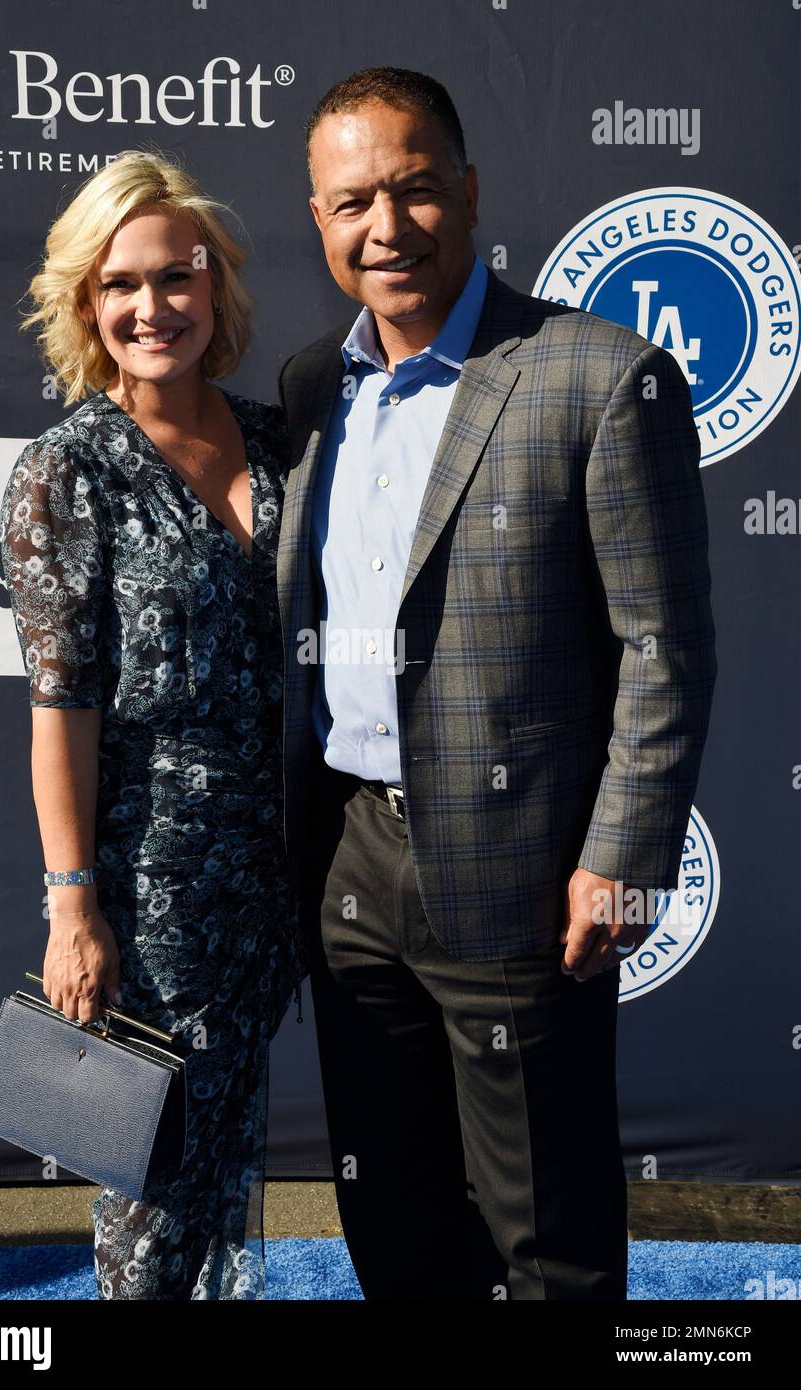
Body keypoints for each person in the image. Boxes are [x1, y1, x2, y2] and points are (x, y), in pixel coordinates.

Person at [276, 68, 717, 1300]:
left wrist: (621, 857)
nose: (386, 227)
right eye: (352, 201)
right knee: (393, 1215)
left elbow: (662, 648)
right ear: (317, 221)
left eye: (415, 191)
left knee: (547, 1236)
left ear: (467, 193)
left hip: (525, 868)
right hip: (348, 860)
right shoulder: (315, 386)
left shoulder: (596, 375)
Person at [0, 147, 304, 1300]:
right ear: (86, 303)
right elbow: (60, 707)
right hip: (152, 884)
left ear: (214, 286)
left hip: (284, 870)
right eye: (119, 285)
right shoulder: (64, 474)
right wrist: (72, 902)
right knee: (150, 1179)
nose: (150, 307)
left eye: (175, 278)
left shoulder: (283, 439)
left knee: (229, 1158)